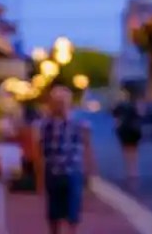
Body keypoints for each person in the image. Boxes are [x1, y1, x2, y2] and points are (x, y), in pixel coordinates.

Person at [34, 85, 94, 234]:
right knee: (53, 212)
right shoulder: (43, 125)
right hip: (52, 172)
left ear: (69, 104)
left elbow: (87, 148)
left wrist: (90, 172)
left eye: (63, 102)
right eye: (56, 102)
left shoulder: (80, 124)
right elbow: (39, 151)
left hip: (73, 171)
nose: (59, 106)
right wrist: (39, 178)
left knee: (73, 212)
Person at [112, 91, 144, 187]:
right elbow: (140, 115)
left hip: (124, 129)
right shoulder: (135, 105)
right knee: (133, 151)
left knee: (126, 150)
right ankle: (133, 171)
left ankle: (129, 171)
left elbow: (115, 115)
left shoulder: (120, 105)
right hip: (133, 130)